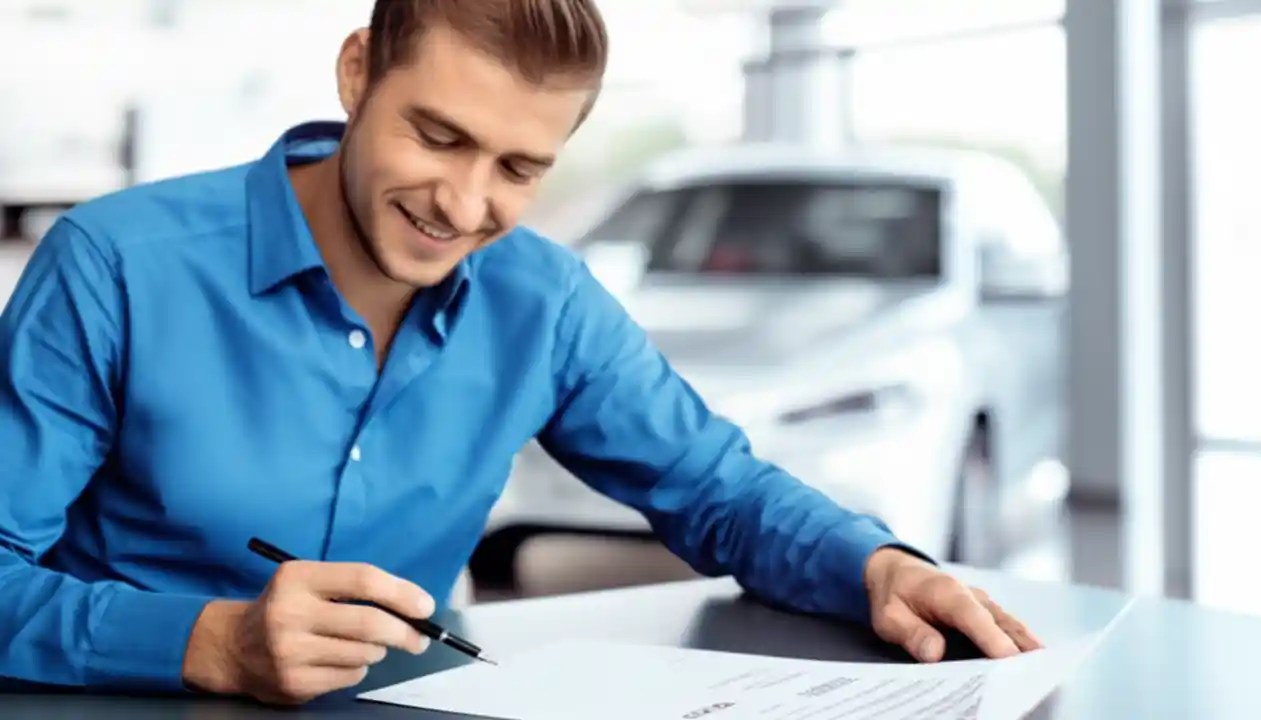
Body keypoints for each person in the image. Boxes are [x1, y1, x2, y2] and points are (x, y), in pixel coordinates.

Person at [0, 0, 1041, 705]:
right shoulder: (118, 265)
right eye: (437, 137)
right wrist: (208, 642)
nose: (462, 204)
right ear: (358, 73)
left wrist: (875, 567)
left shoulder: (543, 301)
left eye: (517, 167)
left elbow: (716, 489)